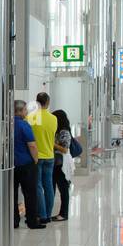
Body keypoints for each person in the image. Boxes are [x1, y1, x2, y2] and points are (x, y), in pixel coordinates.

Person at [12, 100, 44, 230]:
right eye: (25, 110)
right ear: (21, 111)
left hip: (11, 165)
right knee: (30, 194)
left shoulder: (7, 124)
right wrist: (36, 159)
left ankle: (14, 220)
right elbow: (32, 145)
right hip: (26, 165)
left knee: (12, 194)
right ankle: (32, 221)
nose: (26, 112)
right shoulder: (24, 125)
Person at [27, 92, 57, 225]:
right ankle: (48, 214)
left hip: (36, 157)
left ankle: (42, 215)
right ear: (48, 102)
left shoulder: (31, 117)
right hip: (50, 155)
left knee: (38, 185)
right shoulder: (54, 118)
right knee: (48, 185)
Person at [52, 109, 76, 222]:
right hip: (56, 162)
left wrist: (52, 144)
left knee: (63, 189)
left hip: (62, 163)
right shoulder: (58, 131)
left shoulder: (64, 132)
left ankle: (64, 213)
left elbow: (65, 149)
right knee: (56, 188)